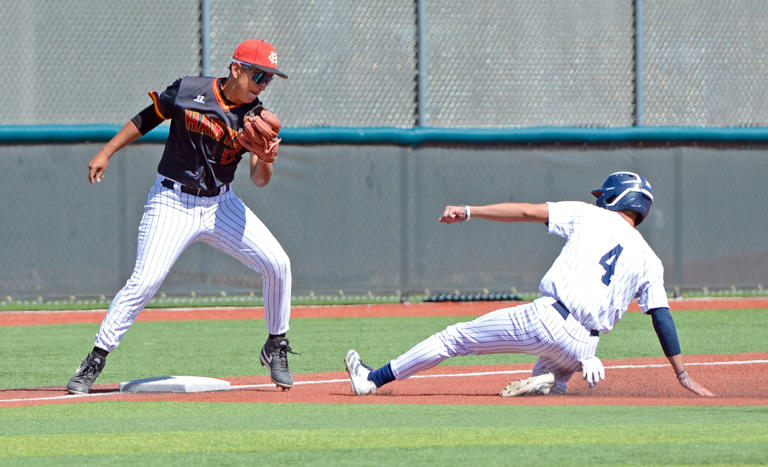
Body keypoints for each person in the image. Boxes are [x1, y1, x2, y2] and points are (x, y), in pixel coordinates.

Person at [345, 172, 714, 397]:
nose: (598, 199)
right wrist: (681, 373)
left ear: (614, 197)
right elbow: (661, 316)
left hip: (547, 320)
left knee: (452, 338)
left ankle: (370, 380)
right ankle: (551, 380)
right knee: (550, 384)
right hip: (585, 347)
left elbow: (525, 211)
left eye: (603, 195)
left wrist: (470, 210)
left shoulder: (589, 216)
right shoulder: (651, 259)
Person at [66, 39, 295, 394]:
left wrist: (266, 157)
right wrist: (107, 151)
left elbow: (259, 180)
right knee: (145, 281)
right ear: (236, 68)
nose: (263, 84)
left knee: (278, 263)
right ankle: (95, 358)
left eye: (268, 79)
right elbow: (147, 118)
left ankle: (276, 345)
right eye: (259, 74)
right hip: (171, 202)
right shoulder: (190, 91)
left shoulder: (256, 118)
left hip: (221, 206)